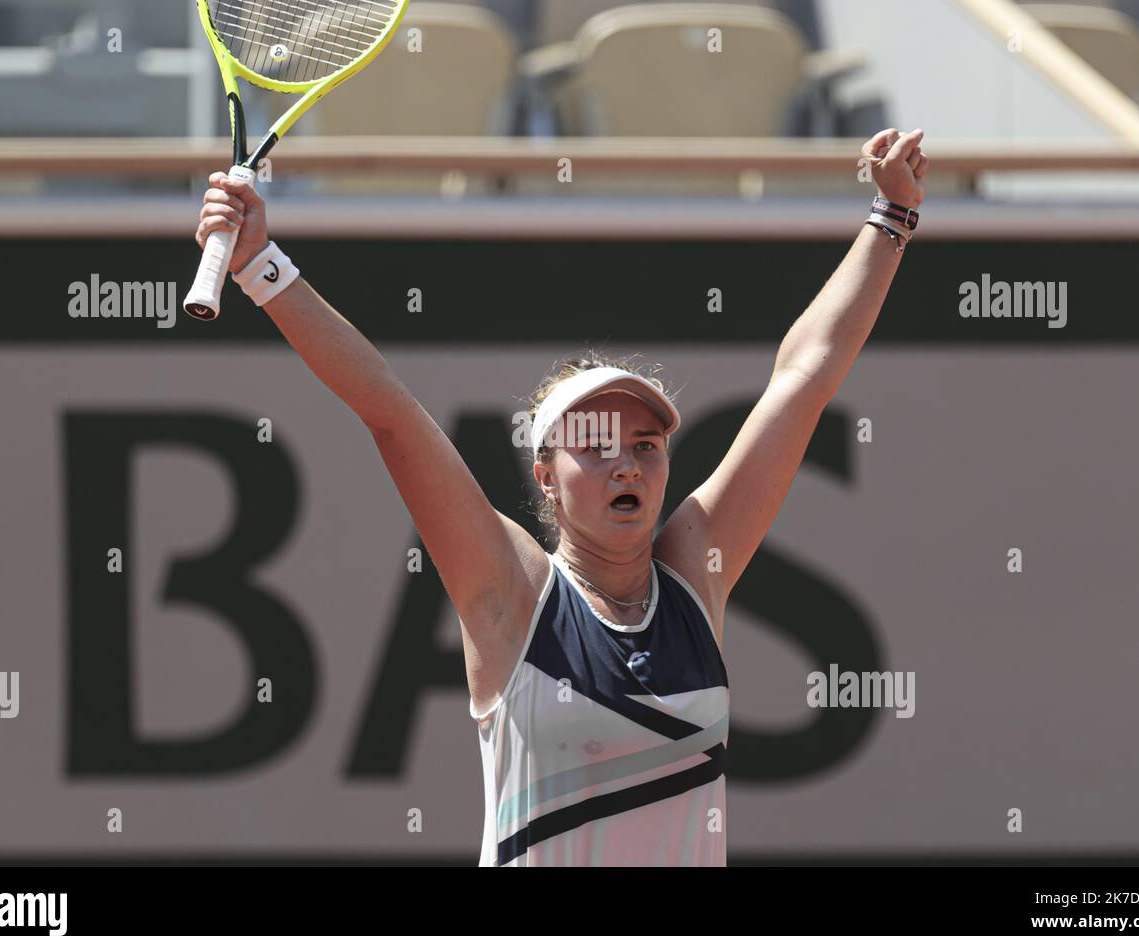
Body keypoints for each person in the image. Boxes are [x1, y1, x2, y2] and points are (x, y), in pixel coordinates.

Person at [194, 127, 929, 866]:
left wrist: (891, 216)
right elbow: (390, 414)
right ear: (545, 476)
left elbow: (803, 380)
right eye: (597, 446)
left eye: (645, 446)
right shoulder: (512, 591)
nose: (627, 466)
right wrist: (261, 265)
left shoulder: (695, 571)